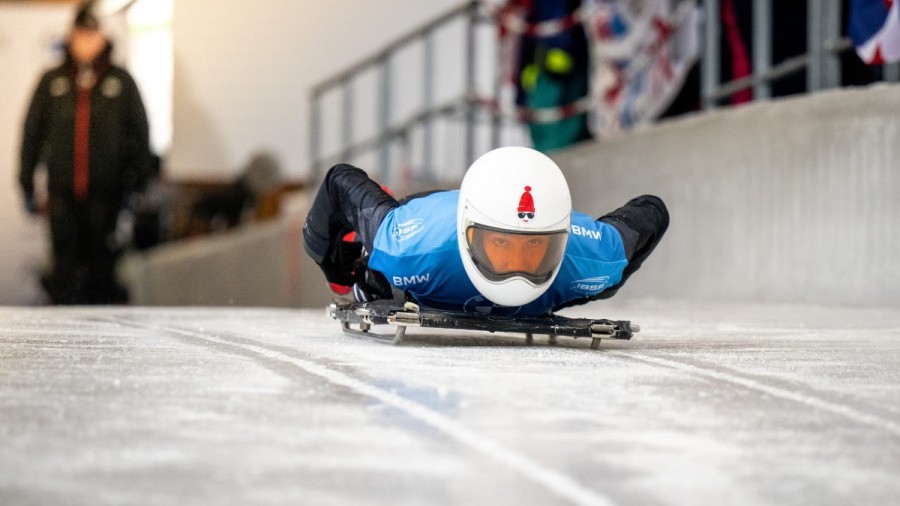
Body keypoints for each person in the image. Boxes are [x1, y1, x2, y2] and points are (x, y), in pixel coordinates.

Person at [304, 146, 668, 316]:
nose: (517, 266)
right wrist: (341, 273)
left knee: (606, 279)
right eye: (501, 245)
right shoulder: (405, 243)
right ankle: (353, 278)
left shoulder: (595, 258)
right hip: (434, 217)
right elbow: (339, 180)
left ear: (561, 238)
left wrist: (596, 283)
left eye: (536, 248)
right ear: (470, 234)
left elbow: (653, 212)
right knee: (369, 270)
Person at [19, 1, 152, 304]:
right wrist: (25, 182)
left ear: (103, 36)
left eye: (93, 34)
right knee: (64, 270)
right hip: (63, 194)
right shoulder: (52, 81)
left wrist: (142, 183)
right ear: (70, 36)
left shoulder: (121, 82)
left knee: (104, 269)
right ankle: (63, 339)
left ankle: (104, 339)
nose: (87, 41)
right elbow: (32, 134)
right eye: (81, 34)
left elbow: (139, 134)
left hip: (108, 195)